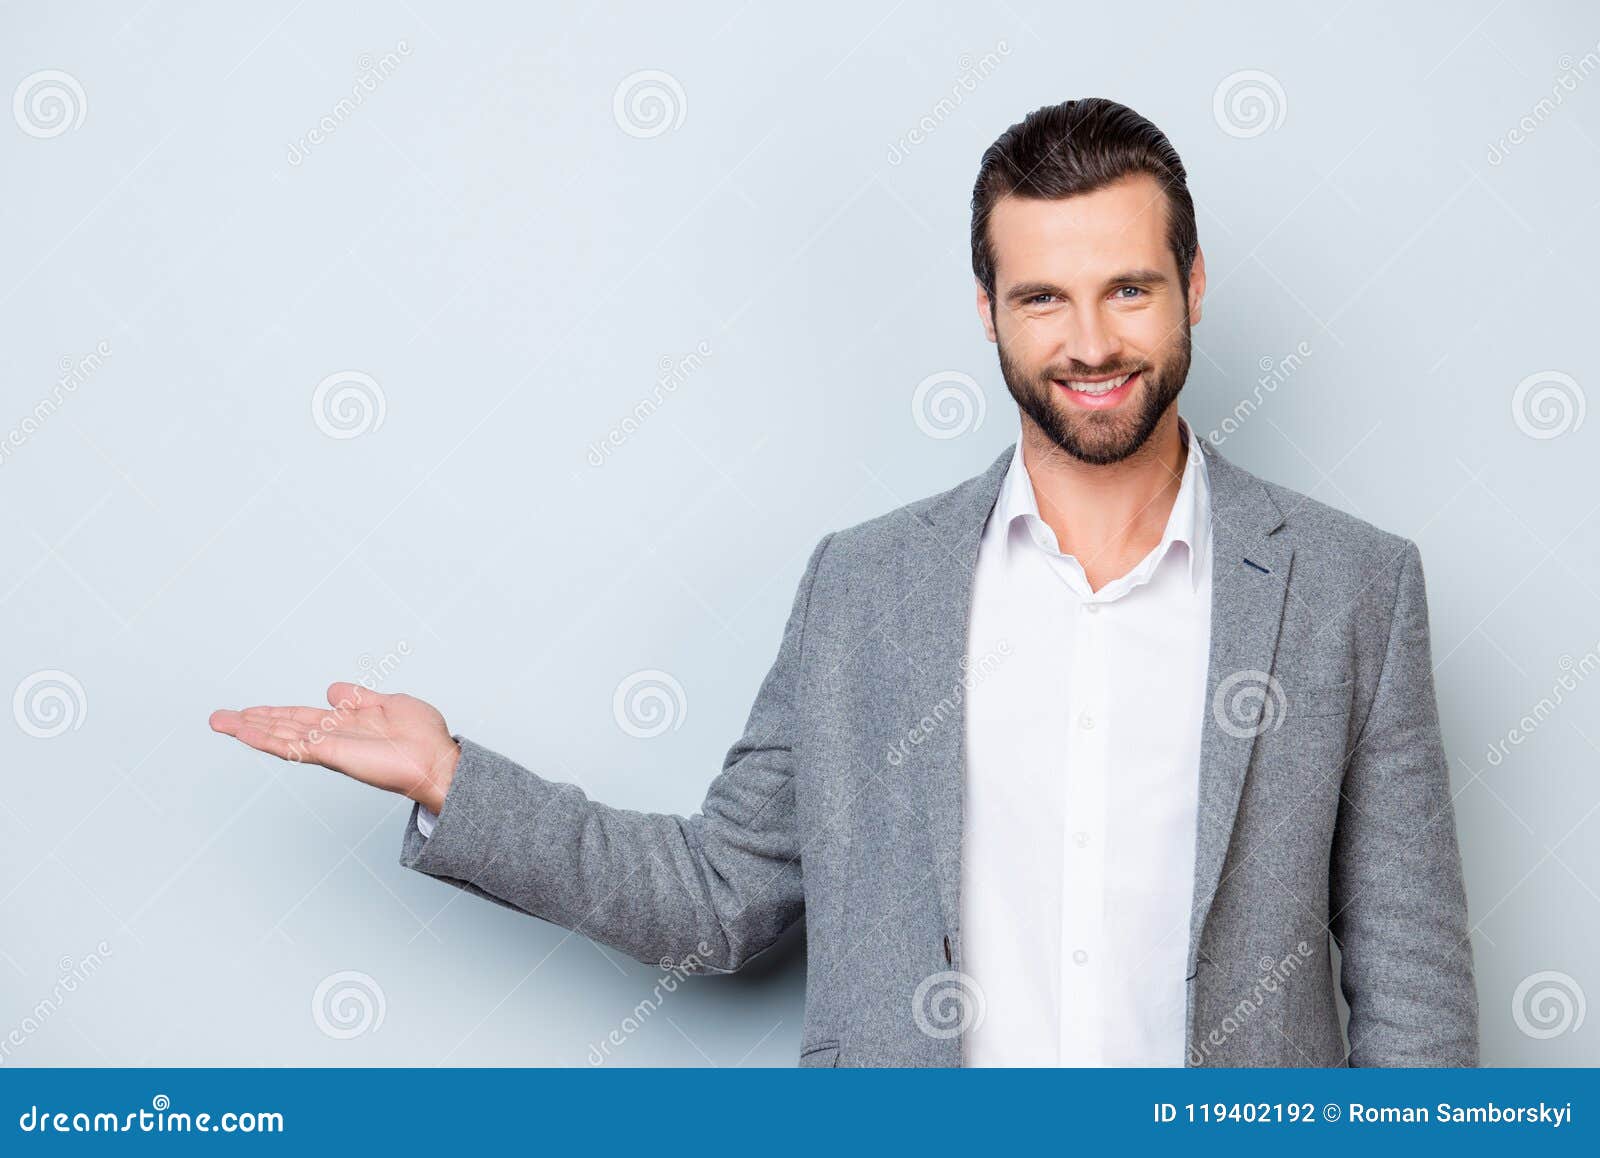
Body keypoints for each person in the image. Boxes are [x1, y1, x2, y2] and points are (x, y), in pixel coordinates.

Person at [210, 97, 1478, 1067]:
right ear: (987, 311)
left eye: (1128, 289)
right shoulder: (867, 589)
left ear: (1191, 288)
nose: (1089, 342)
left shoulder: (1353, 589)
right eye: (1042, 297)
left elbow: (1412, 985)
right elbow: (721, 901)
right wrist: (451, 779)